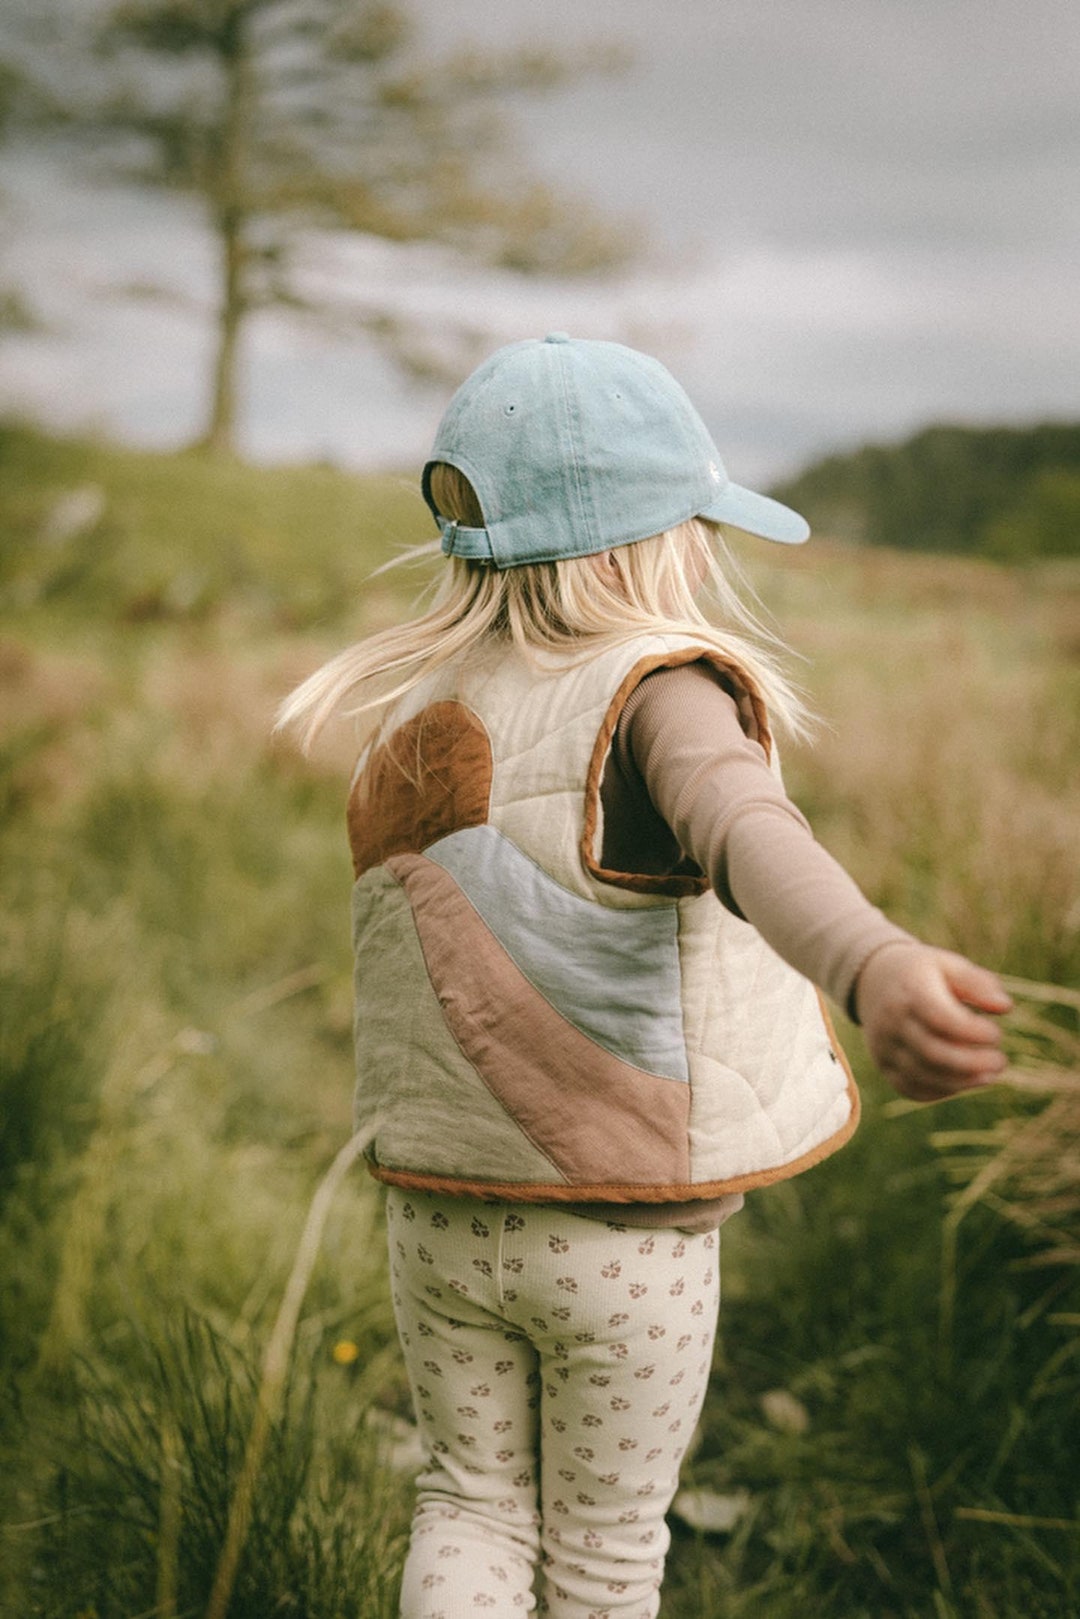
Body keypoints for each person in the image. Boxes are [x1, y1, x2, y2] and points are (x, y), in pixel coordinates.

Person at [278, 334, 1011, 1618]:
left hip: (440, 1214)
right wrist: (873, 959)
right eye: (694, 527)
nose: (705, 558)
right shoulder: (659, 691)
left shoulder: (417, 706)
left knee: (467, 1499)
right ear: (629, 551)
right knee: (605, 1550)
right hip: (619, 1231)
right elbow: (749, 832)